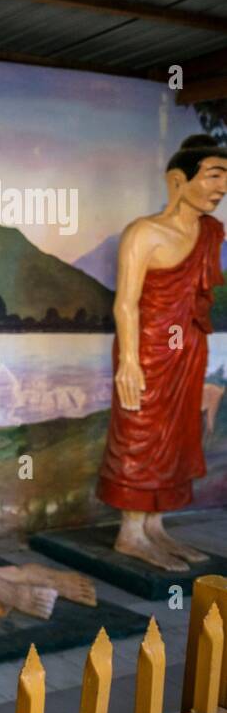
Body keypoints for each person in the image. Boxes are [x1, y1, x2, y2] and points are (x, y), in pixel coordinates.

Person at [97, 134, 226, 570]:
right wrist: (129, 362)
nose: (221, 188)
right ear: (178, 179)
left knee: (177, 435)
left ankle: (155, 527)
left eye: (226, 179)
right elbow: (126, 302)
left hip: (187, 349)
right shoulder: (144, 233)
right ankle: (130, 532)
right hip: (147, 351)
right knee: (139, 434)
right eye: (213, 175)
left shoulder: (209, 232)